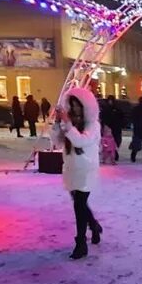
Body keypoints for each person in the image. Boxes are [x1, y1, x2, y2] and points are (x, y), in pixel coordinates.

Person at [51, 87, 103, 260]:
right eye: (72, 105)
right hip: (71, 167)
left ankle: (81, 243)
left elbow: (81, 141)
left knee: (79, 204)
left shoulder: (93, 125)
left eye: (78, 105)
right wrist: (58, 124)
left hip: (86, 169)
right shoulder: (70, 123)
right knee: (79, 202)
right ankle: (94, 226)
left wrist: (67, 124)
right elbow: (57, 143)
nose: (75, 109)